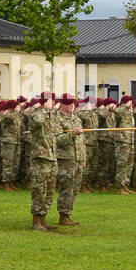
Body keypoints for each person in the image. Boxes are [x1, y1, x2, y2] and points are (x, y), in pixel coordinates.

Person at [29, 94, 60, 230]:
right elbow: (37, 122)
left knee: (49, 191)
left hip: (52, 157)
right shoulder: (37, 114)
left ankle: (43, 218)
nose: (54, 103)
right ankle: (36, 221)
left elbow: (57, 133)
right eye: (52, 101)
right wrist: (44, 108)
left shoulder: (51, 116)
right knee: (39, 190)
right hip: (41, 158)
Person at [54, 94, 83, 226]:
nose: (72, 105)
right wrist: (72, 133)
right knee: (66, 187)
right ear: (62, 104)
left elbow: (81, 141)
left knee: (75, 189)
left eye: (73, 103)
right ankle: (63, 215)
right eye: (69, 103)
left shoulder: (76, 119)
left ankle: (68, 214)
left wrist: (83, 157)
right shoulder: (57, 120)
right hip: (65, 159)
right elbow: (58, 140)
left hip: (77, 158)